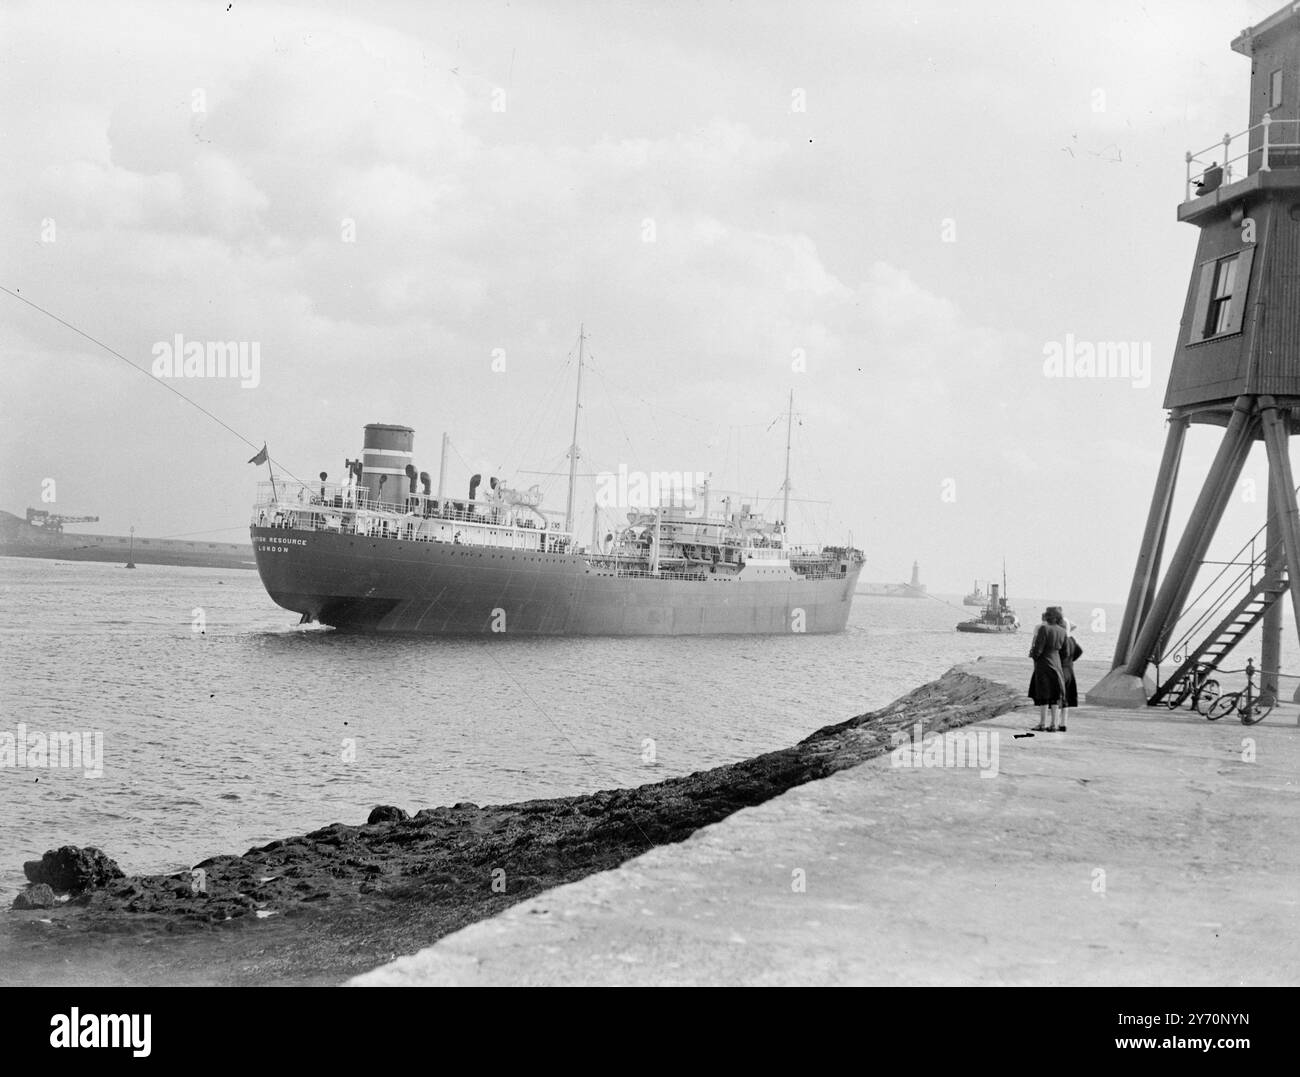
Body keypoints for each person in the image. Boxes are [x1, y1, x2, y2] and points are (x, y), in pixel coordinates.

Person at [1027, 607, 1069, 732]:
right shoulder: (1062, 631)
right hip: (1057, 664)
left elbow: (1038, 648)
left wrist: (1034, 656)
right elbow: (1065, 652)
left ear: (1048, 617)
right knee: (1055, 695)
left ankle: (1042, 723)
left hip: (1044, 663)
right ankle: (1054, 724)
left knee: (1043, 695)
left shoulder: (1044, 629)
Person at [1058, 615, 1084, 731]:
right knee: (1066, 699)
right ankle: (1063, 724)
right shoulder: (1072, 640)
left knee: (1057, 698)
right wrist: (1071, 660)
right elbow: (1079, 651)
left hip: (1060, 671)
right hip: (1070, 671)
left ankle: (1054, 723)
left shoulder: (1059, 641)